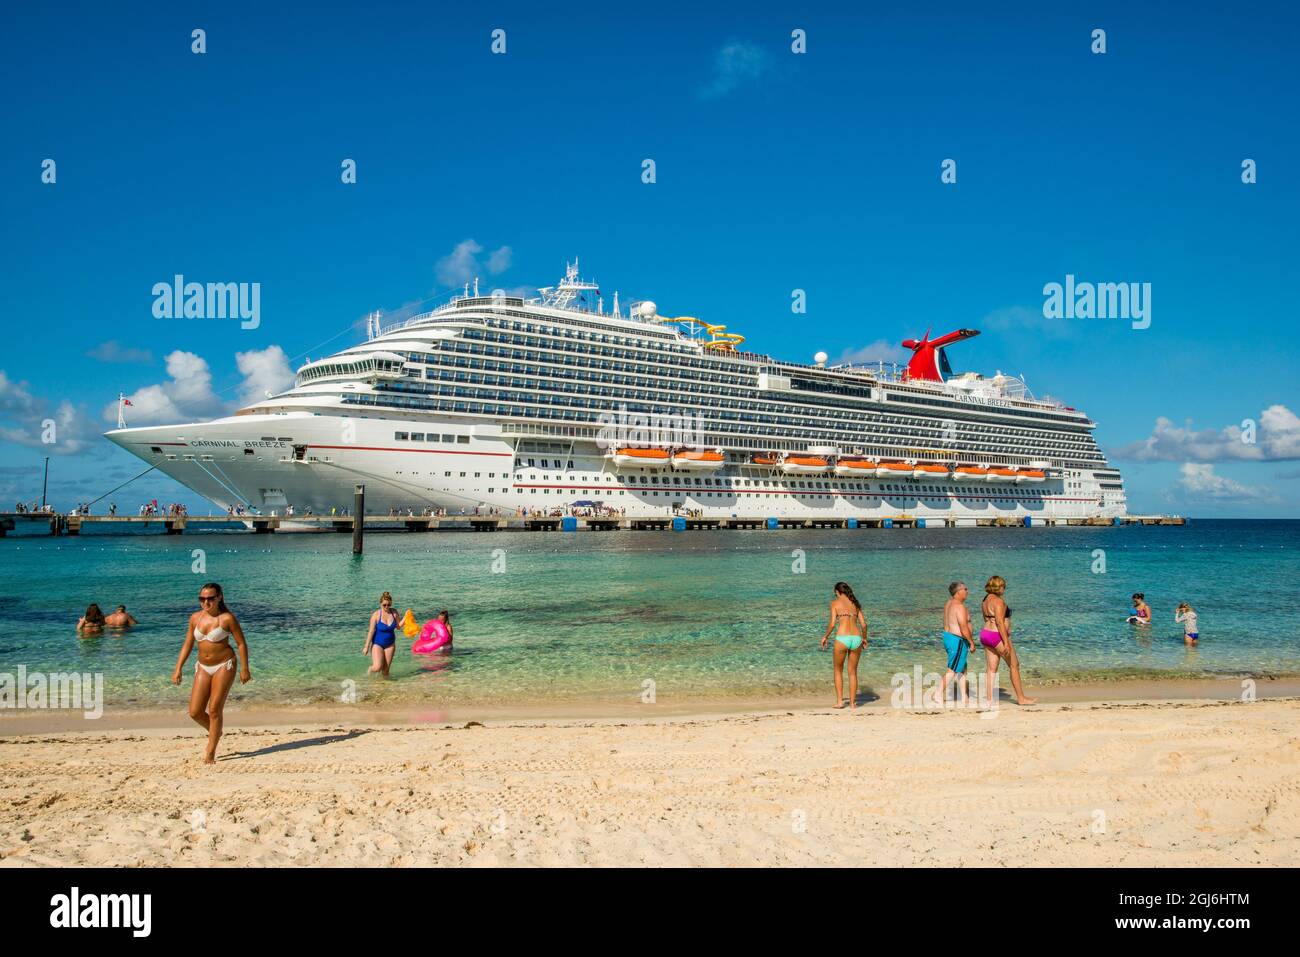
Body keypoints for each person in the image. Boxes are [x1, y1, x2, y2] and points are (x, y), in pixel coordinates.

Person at [171, 582, 251, 763]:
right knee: (195, 712)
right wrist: (178, 668)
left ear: (219, 598)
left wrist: (245, 669)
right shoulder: (195, 618)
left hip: (225, 664)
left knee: (214, 709)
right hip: (203, 666)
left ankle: (210, 751)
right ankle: (216, 730)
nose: (205, 602)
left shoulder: (227, 619)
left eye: (210, 599)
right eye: (202, 599)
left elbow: (241, 643)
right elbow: (188, 644)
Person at [978, 576, 1036, 706]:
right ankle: (1021, 698)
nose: (1005, 588)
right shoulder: (998, 602)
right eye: (1003, 586)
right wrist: (1005, 642)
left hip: (986, 634)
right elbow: (999, 622)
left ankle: (989, 699)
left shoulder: (985, 600)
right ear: (998, 587)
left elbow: (986, 618)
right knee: (1014, 665)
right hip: (997, 635)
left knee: (991, 669)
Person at [818, 582, 867, 710]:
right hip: (856, 638)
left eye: (835, 593)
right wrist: (865, 638)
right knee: (852, 673)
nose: (836, 595)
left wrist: (825, 636)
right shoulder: (855, 604)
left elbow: (833, 624)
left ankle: (840, 702)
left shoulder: (835, 603)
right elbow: (864, 625)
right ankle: (852, 704)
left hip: (842, 638)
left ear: (838, 592)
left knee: (838, 670)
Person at [939, 581, 976, 708]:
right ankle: (937, 694)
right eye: (965, 589)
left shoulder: (948, 604)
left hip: (949, 637)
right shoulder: (959, 606)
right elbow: (963, 626)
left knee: (962, 668)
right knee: (953, 669)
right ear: (958, 592)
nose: (967, 591)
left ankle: (964, 697)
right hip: (958, 640)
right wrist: (971, 642)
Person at [363, 591, 400, 676]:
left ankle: (383, 687)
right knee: (377, 667)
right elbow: (371, 631)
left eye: (389, 605)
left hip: (390, 644)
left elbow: (398, 627)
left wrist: (406, 618)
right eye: (384, 605)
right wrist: (366, 647)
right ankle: (370, 670)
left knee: (386, 671)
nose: (386, 607)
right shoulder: (376, 615)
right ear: (380, 604)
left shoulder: (394, 613)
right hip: (377, 644)